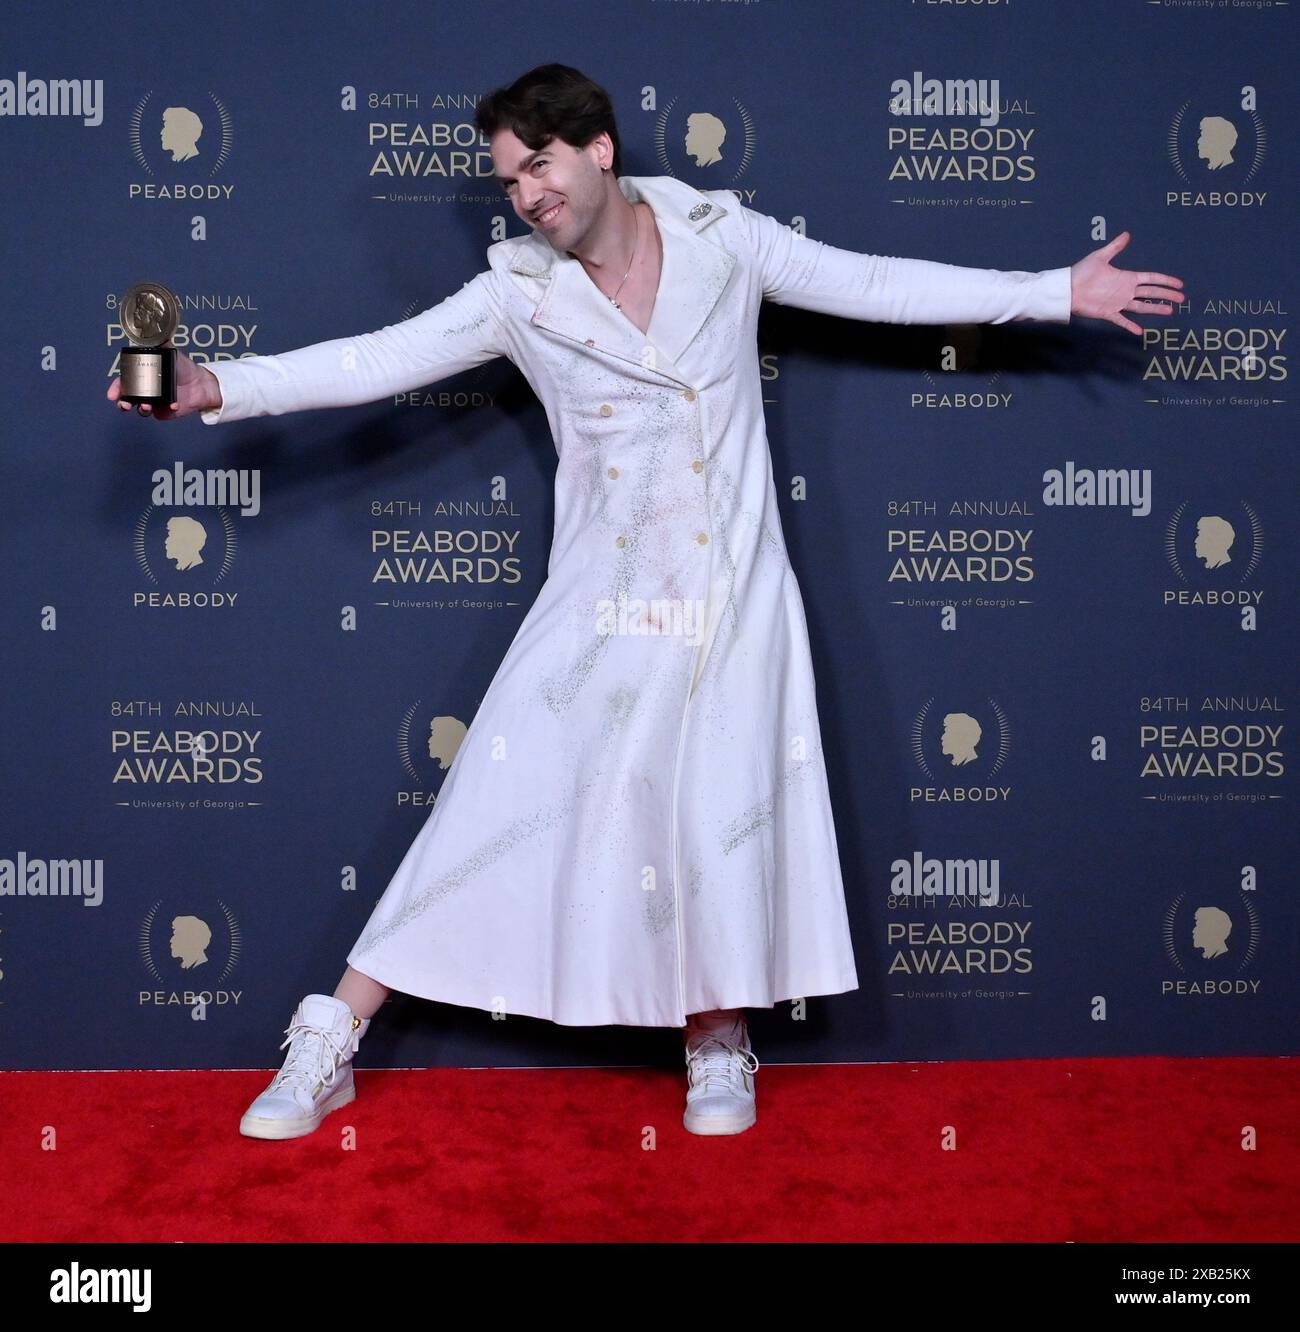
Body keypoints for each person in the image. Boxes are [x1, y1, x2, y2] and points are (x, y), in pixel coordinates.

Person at [107, 64, 1185, 1142]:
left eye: (540, 165)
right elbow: (379, 360)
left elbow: (877, 285)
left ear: (600, 150)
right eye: (509, 181)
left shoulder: (729, 237)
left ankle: (715, 1043)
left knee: (716, 815)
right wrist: (217, 384)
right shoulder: (515, 294)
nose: (527, 195)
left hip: (727, 598)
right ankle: (331, 1039)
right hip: (602, 604)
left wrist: (1054, 290)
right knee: (484, 809)